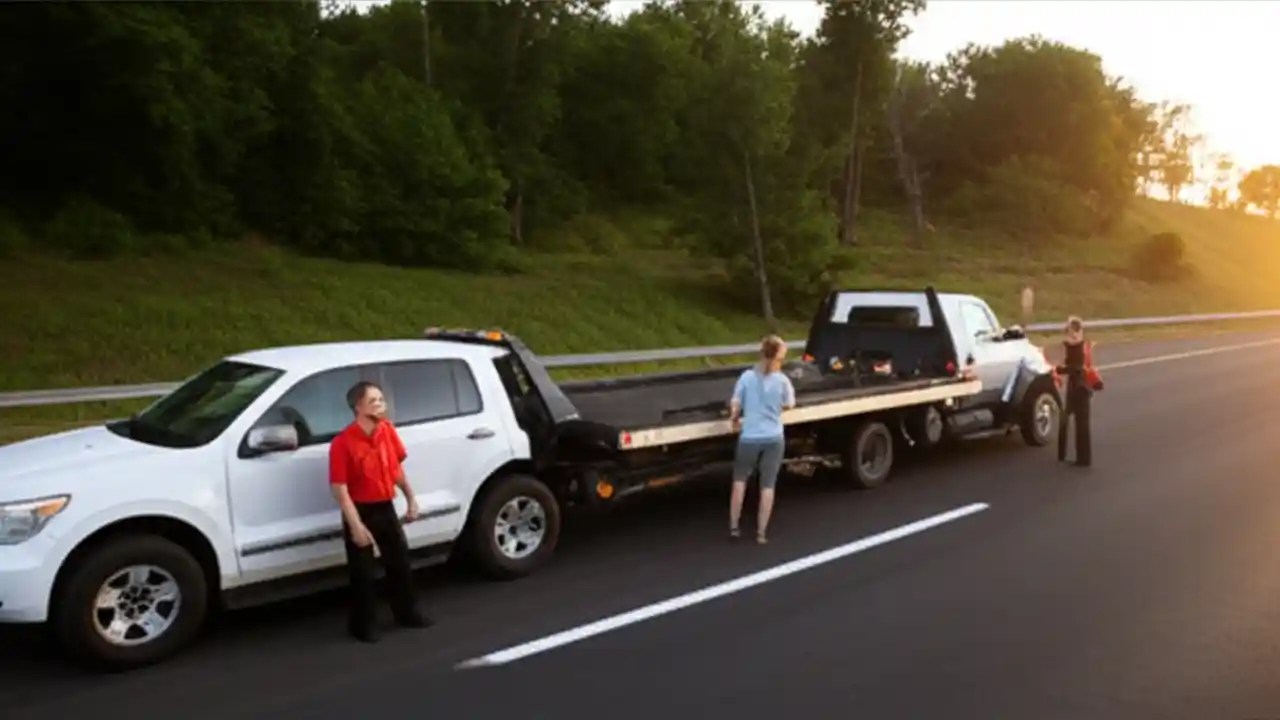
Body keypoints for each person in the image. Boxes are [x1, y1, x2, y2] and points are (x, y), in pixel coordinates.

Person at [328, 380, 431, 642]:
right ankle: (363, 625)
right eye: (373, 401)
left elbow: (396, 470)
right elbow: (340, 490)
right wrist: (356, 526)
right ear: (357, 407)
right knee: (363, 572)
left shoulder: (387, 431)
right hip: (359, 510)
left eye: (381, 400)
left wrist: (411, 499)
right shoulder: (342, 443)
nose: (380, 405)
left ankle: (406, 612)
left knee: (400, 563)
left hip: (385, 506)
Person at [727, 335, 796, 544]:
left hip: (750, 436)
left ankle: (734, 526)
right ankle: (761, 533)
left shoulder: (747, 377)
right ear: (779, 357)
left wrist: (735, 419)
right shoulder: (783, 380)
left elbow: (735, 404)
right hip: (774, 437)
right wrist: (774, 409)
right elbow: (790, 404)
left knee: (740, 481)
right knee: (768, 485)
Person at [1056, 316, 1103, 467]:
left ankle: (1081, 459)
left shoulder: (1079, 348)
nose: (1070, 336)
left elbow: (1075, 367)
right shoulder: (1077, 346)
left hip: (1080, 389)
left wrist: (1058, 369)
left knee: (1079, 424)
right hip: (1075, 388)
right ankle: (1070, 457)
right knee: (1070, 421)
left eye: (1071, 332)